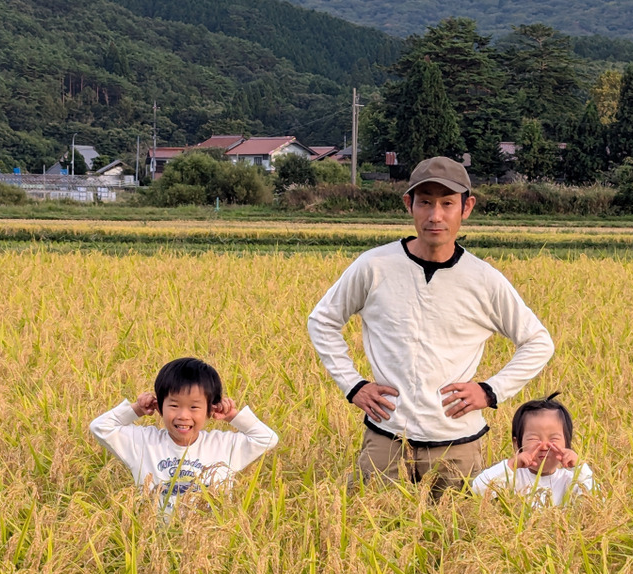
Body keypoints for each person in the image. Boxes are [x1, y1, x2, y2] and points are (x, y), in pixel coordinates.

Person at [308, 156, 554, 494]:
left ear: (466, 208)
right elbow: (322, 320)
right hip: (387, 437)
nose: (435, 215)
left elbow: (538, 341)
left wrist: (490, 390)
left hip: (457, 443)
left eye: (447, 203)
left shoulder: (484, 280)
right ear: (409, 205)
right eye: (425, 202)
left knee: (457, 539)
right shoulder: (374, 266)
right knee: (368, 529)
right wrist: (353, 385)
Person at [90, 357, 278, 510]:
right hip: (156, 543)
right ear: (159, 406)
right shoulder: (143, 443)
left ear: (210, 409)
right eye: (174, 405)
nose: (183, 415)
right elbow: (100, 427)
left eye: (194, 407)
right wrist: (136, 409)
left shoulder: (223, 446)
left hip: (210, 544)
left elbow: (267, 438)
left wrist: (233, 416)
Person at [471, 393, 594, 506]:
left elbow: (596, 500)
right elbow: (478, 489)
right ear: (517, 444)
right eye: (534, 439)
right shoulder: (512, 478)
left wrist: (579, 467)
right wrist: (511, 465)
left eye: (554, 438)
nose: (544, 446)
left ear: (567, 444)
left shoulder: (569, 480)